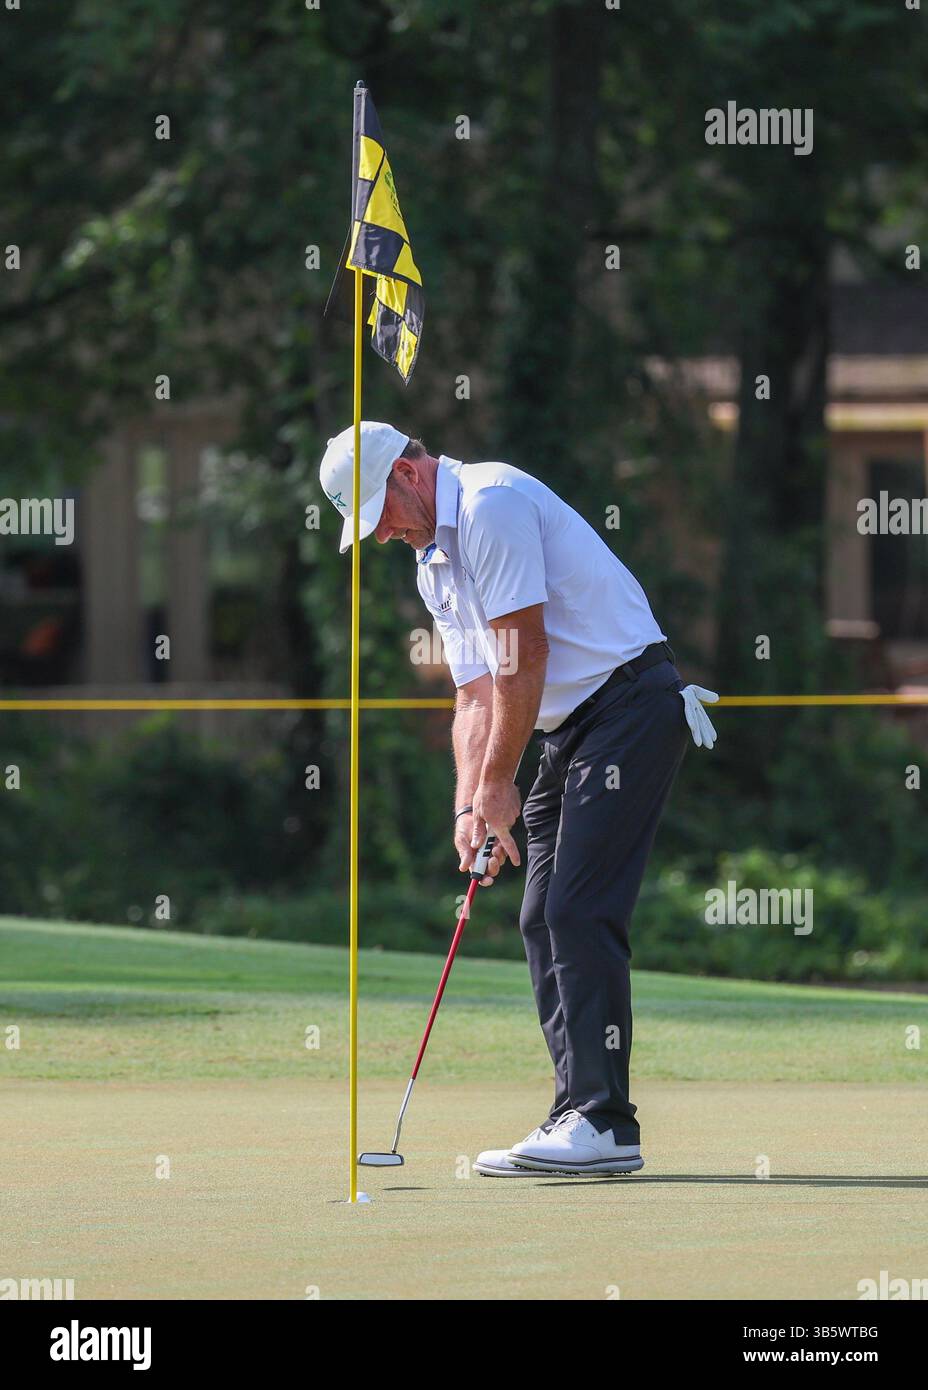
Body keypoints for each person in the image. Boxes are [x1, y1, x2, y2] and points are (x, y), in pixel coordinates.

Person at [320, 422, 718, 1177]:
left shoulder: (490, 506)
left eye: (381, 515)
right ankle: (579, 1112)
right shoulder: (433, 565)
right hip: (573, 729)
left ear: (408, 472)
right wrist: (470, 805)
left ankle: (604, 1123)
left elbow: (522, 653)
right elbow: (474, 696)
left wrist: (502, 781)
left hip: (630, 706)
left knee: (578, 908)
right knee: (541, 914)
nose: (380, 537)